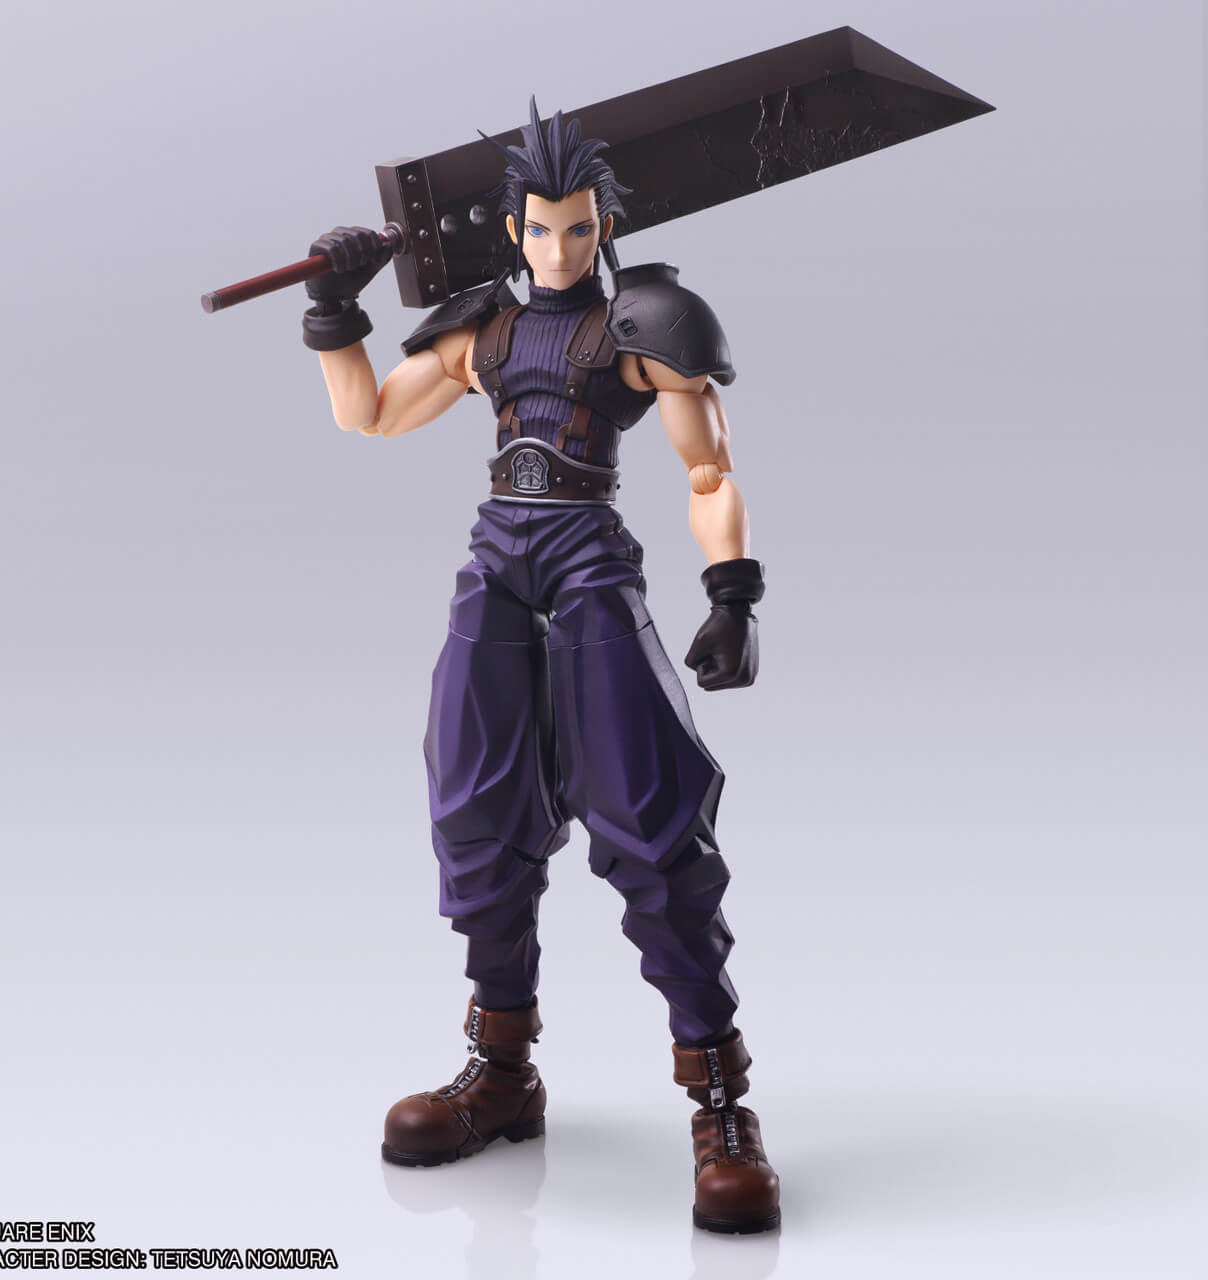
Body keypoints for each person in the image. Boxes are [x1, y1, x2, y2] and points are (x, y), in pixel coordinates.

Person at [301, 99, 779, 1234]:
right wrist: (335, 314)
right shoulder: (483, 335)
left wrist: (732, 592)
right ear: (512, 231)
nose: (558, 249)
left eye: (578, 229)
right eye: (539, 230)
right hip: (497, 564)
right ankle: (502, 1069)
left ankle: (719, 1101)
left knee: (652, 819)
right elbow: (368, 417)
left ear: (604, 226)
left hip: (586, 565)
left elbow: (709, 472)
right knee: (475, 808)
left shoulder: (641, 326)